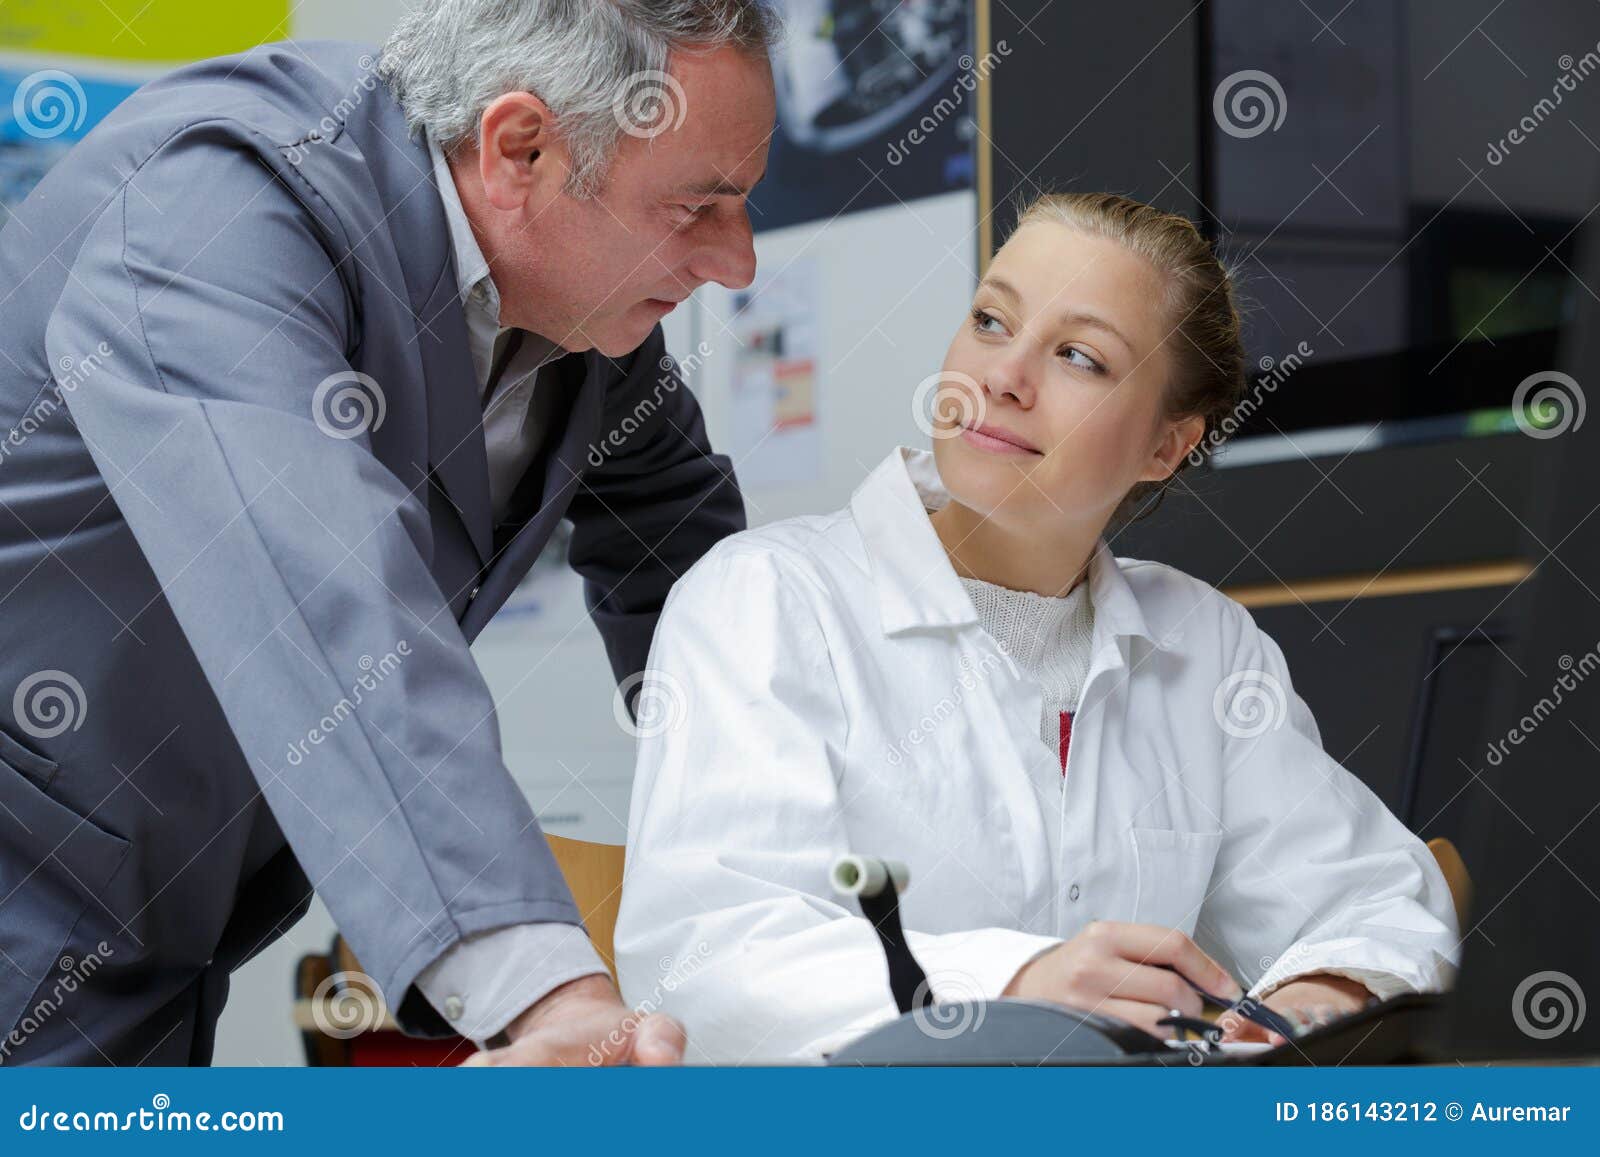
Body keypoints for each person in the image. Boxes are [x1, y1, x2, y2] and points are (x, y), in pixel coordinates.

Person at [0, 0, 780, 1066]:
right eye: (699, 206)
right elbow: (320, 591)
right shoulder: (219, 202)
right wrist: (545, 993)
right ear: (522, 147)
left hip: (162, 913)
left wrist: (799, 853)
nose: (737, 260)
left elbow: (690, 566)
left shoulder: (581, 328)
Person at [613, 191, 1461, 1063]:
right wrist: (1015, 985)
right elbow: (702, 962)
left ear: (1166, 446)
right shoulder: (763, 600)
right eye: (990, 320)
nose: (1002, 378)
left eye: (1080, 358)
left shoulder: (1207, 648)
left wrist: (1317, 999)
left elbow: (1376, 903)